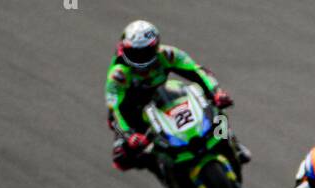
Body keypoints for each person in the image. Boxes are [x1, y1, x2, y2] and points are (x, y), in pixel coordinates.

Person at [105, 20, 248, 173]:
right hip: (132, 112)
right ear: (124, 49)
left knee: (214, 104)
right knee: (121, 158)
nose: (140, 58)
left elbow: (198, 70)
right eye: (134, 53)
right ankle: (161, 167)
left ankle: (231, 140)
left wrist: (217, 91)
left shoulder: (167, 54)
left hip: (163, 96)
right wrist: (129, 135)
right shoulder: (119, 74)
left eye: (145, 53)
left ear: (155, 47)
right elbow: (115, 110)